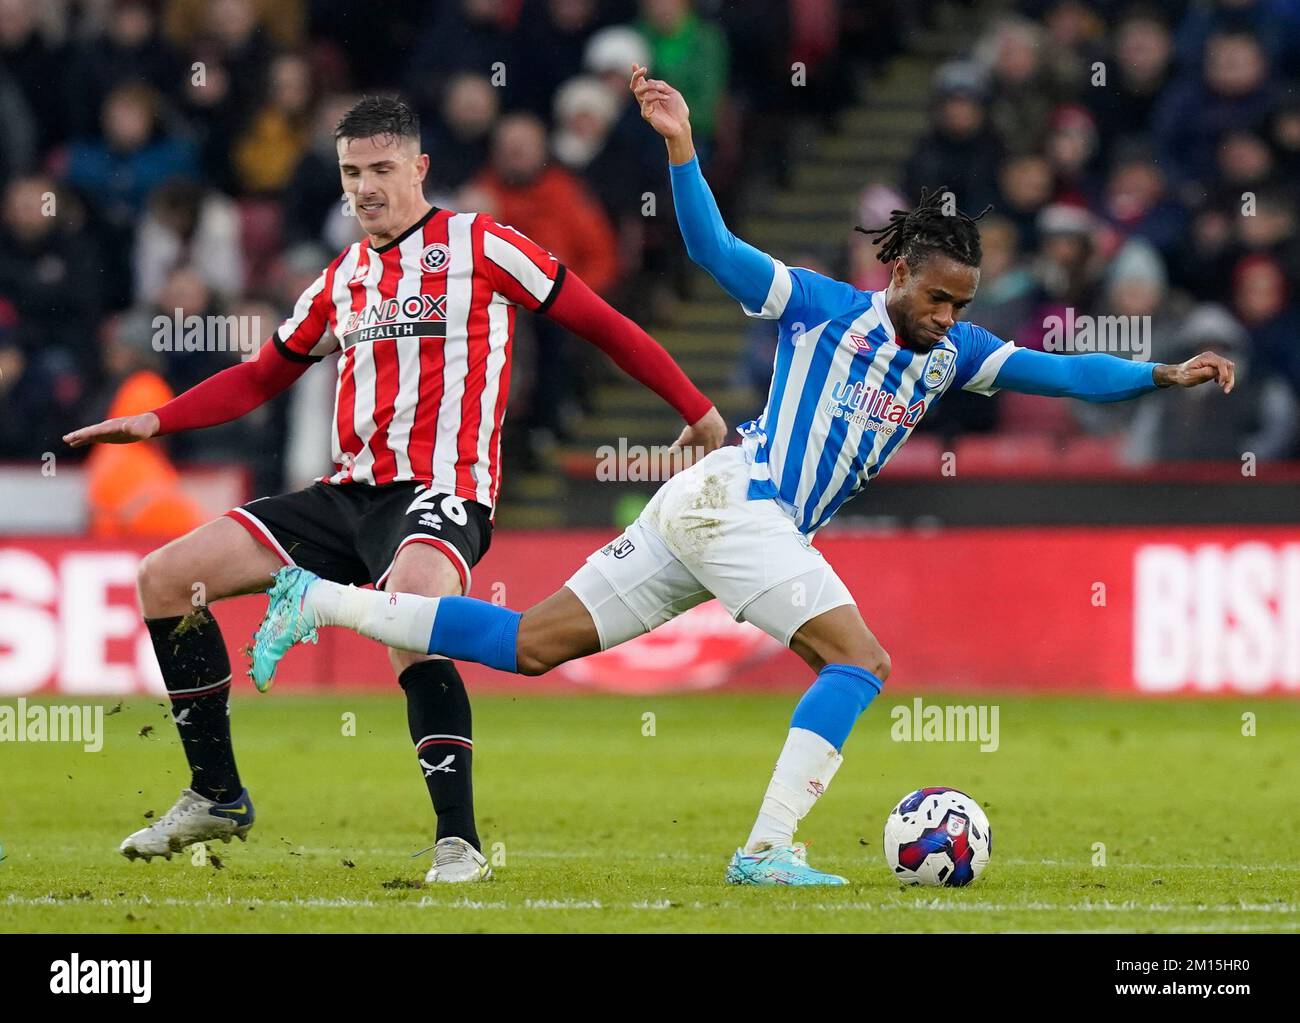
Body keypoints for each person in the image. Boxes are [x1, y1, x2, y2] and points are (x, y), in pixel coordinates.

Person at [251, 69, 1236, 886]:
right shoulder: (817, 305)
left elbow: (1062, 370)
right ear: (895, 274)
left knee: (530, 644)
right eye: (934, 297)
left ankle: (318, 600)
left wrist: (1158, 373)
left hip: (710, 504)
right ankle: (765, 849)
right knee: (860, 664)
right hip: (739, 501)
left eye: (959, 303)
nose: (944, 316)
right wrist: (681, 146)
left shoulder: (952, 352)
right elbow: (713, 252)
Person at [63, 94, 726, 885]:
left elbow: (600, 322)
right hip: (346, 494)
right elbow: (260, 377)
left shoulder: (482, 244)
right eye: (351, 172)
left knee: (410, 612)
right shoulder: (339, 279)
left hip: (442, 490)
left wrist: (699, 407)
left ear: (419, 169)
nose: (366, 186)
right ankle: (216, 792)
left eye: (382, 168)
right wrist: (156, 421)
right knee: (165, 578)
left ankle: (458, 843)